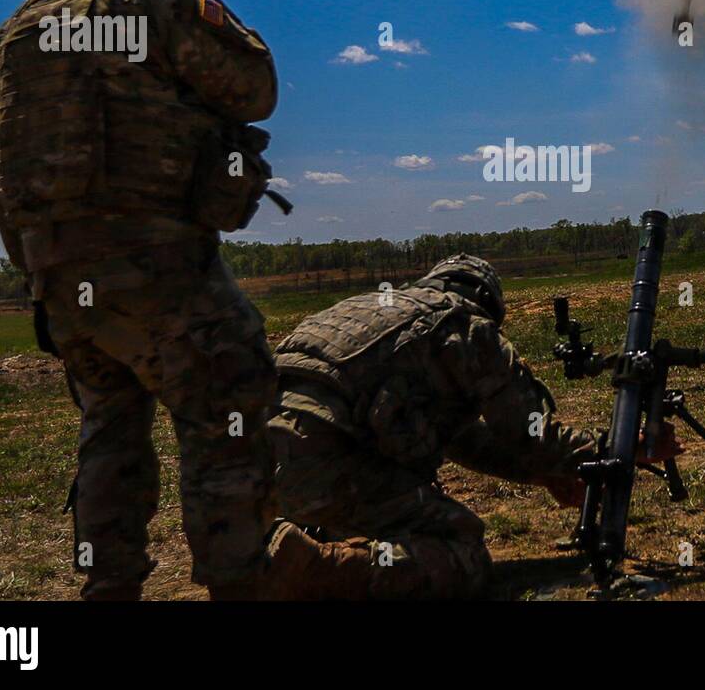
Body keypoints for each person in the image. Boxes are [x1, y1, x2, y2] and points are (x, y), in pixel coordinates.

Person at [0, 0, 280, 600]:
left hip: (62, 279)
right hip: (157, 265)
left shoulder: (20, 23)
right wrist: (207, 2)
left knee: (111, 435)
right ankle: (238, 583)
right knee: (231, 410)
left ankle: (107, 588)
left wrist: (36, 276)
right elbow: (257, 89)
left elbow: (0, 166)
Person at [264, 254, 622, 599]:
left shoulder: (368, 310)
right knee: (463, 551)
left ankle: (267, 545)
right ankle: (318, 568)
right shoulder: (465, 324)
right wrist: (614, 449)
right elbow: (530, 433)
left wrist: (541, 473)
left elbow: (465, 441)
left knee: (353, 514)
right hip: (327, 462)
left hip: (263, 464)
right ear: (486, 303)